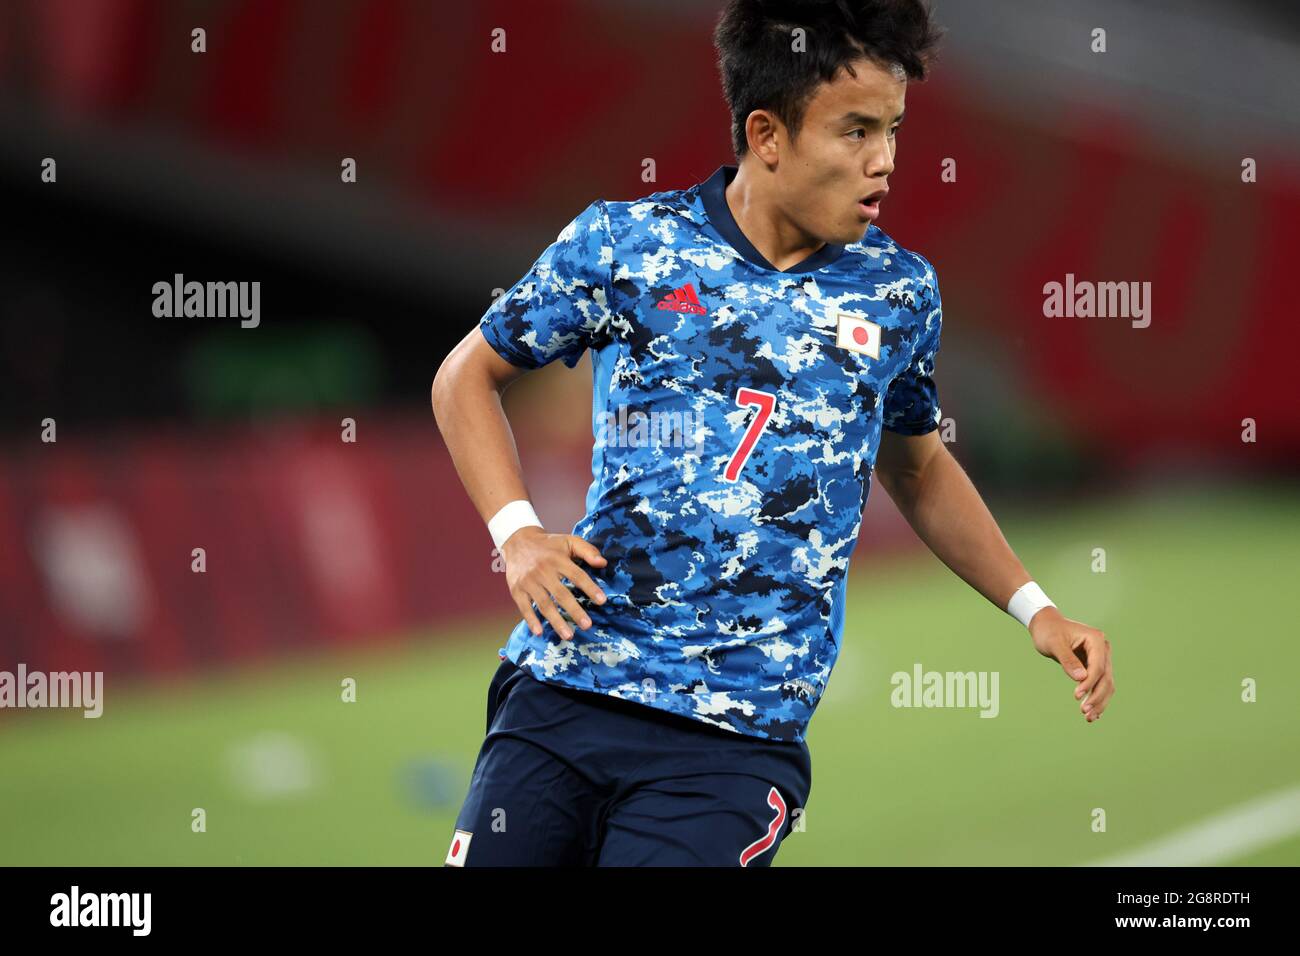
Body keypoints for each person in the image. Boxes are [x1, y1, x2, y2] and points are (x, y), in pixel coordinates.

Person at [431, 0, 1113, 867]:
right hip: (566, 690)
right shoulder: (626, 245)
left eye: (894, 129)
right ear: (767, 133)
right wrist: (518, 535)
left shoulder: (897, 293)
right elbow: (465, 378)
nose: (885, 162)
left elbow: (918, 468)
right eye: (856, 131)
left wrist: (1036, 610)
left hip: (733, 741)